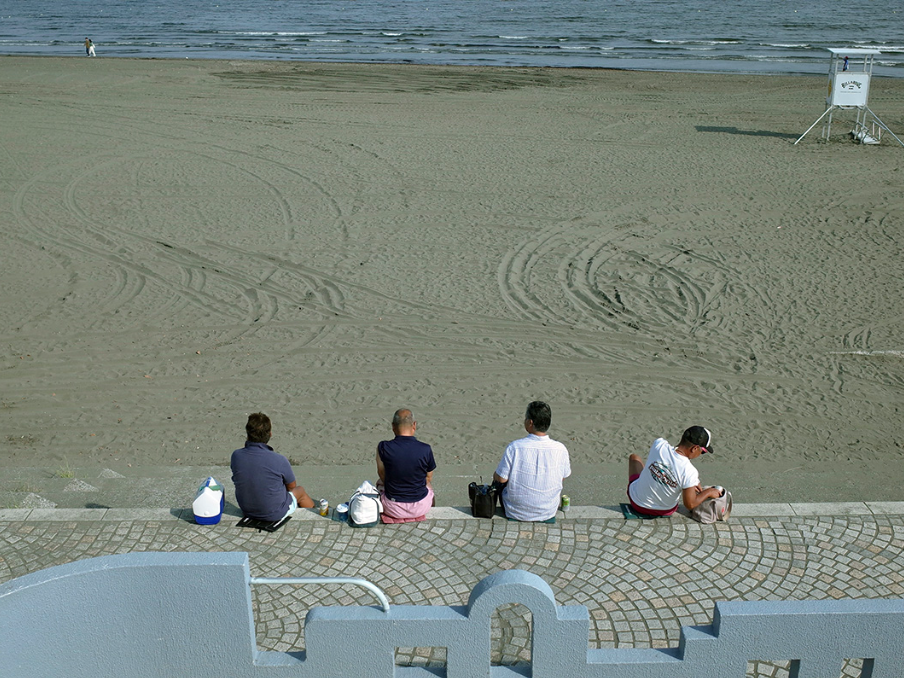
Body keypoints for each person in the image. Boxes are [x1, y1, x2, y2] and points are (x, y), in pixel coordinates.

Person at [493, 401, 571, 523]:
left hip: (515, 511)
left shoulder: (515, 447)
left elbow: (502, 479)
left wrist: (495, 476)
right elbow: (563, 477)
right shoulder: (560, 449)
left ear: (530, 422)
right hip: (548, 511)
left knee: (500, 479)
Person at [231, 412, 314, 522]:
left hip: (247, 510)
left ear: (247, 434)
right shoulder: (279, 459)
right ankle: (314, 514)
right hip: (273, 513)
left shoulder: (236, 455)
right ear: (270, 434)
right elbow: (292, 486)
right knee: (300, 491)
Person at [627, 425, 722, 517]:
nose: (701, 454)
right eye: (703, 451)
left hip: (636, 502)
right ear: (695, 448)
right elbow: (690, 504)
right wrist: (708, 492)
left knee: (634, 457)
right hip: (664, 510)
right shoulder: (689, 471)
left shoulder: (659, 444)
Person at [376, 408, 436, 523]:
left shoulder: (383, 447)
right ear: (414, 425)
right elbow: (428, 478)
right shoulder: (425, 449)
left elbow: (382, 473)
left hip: (392, 508)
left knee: (379, 482)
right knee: (429, 486)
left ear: (393, 426)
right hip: (420, 507)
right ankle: (431, 514)